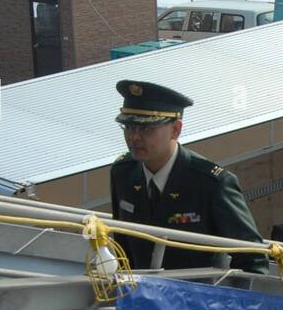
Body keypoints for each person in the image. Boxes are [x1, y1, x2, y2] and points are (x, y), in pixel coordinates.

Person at [109, 80, 267, 273]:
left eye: (146, 129)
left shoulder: (211, 183)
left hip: (198, 298)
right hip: (142, 294)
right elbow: (122, 246)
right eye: (129, 127)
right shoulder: (123, 173)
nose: (134, 138)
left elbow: (254, 259)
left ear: (175, 129)